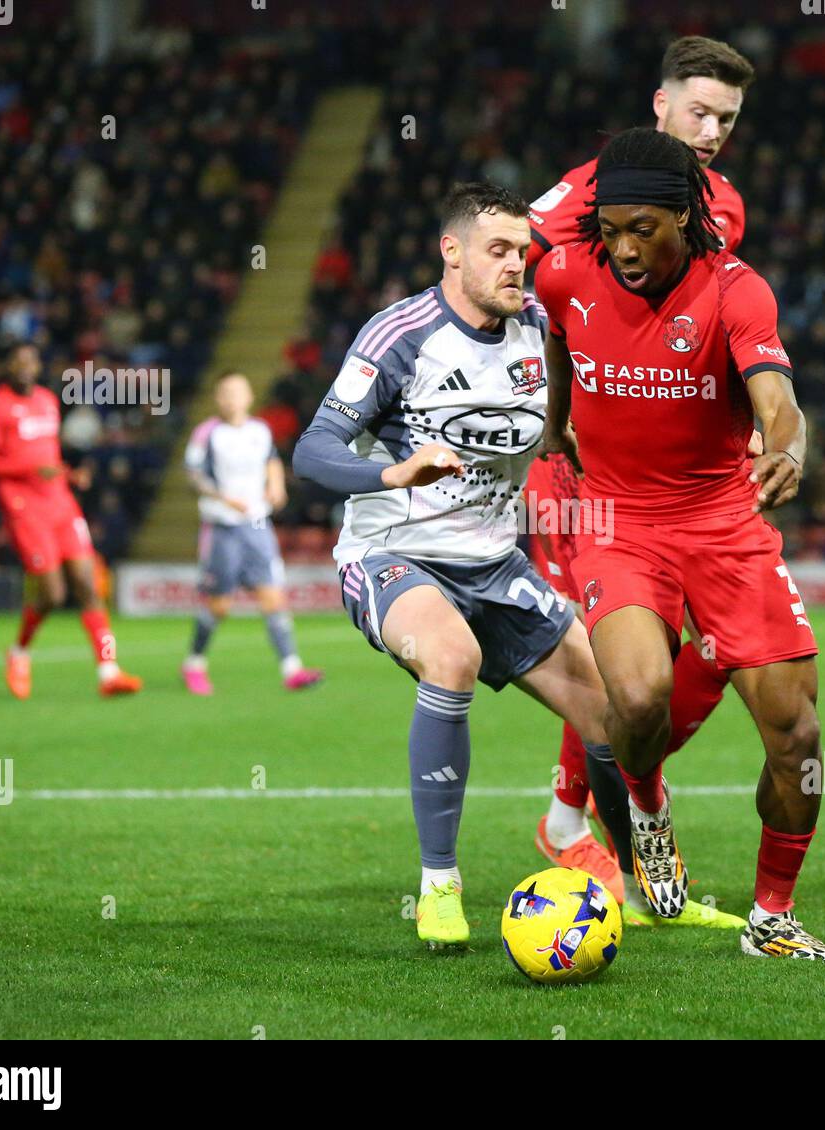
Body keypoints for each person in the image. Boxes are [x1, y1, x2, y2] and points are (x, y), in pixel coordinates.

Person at [534, 128, 825, 959]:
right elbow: (559, 342)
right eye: (612, 229)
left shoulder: (736, 292)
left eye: (646, 229)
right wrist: (556, 422)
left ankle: (772, 916)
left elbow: (776, 398)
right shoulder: (564, 273)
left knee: (799, 739)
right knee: (637, 700)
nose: (626, 249)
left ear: (687, 216)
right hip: (618, 523)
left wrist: (787, 446)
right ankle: (646, 808)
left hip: (725, 526)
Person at [292, 183, 616, 949]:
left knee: (611, 710)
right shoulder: (399, 334)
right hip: (393, 554)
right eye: (499, 250)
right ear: (453, 251)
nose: (517, 265)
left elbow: (569, 406)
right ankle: (440, 885)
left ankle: (640, 883)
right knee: (452, 656)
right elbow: (313, 449)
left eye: (523, 251)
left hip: (494, 564)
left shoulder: (539, 327)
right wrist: (393, 474)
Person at [524, 35, 757, 880]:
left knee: (719, 649)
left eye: (727, 118)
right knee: (608, 654)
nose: (713, 130)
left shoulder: (721, 204)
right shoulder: (584, 193)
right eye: (700, 110)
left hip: (687, 479)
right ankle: (589, 825)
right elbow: (523, 271)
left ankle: (579, 809)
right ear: (659, 104)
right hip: (584, 465)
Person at [0, 343, 142, 700]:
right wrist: (30, 469)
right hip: (23, 506)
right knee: (52, 593)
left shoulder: (48, 400)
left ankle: (109, 671)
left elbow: (45, 455)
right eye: (18, 360)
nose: (25, 366)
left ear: (37, 365)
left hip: (59, 502)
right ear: (7, 365)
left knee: (88, 583)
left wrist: (68, 474)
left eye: (31, 360)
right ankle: (18, 653)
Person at [181, 372, 323, 694]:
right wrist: (221, 496)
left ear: (248, 397)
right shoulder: (207, 433)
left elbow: (271, 460)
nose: (232, 399)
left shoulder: (260, 430)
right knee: (219, 606)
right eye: (226, 393)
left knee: (273, 597)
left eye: (238, 392)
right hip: (222, 527)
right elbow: (193, 477)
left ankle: (292, 669)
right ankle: (194, 663)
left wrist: (275, 484)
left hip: (258, 524)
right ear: (219, 399)